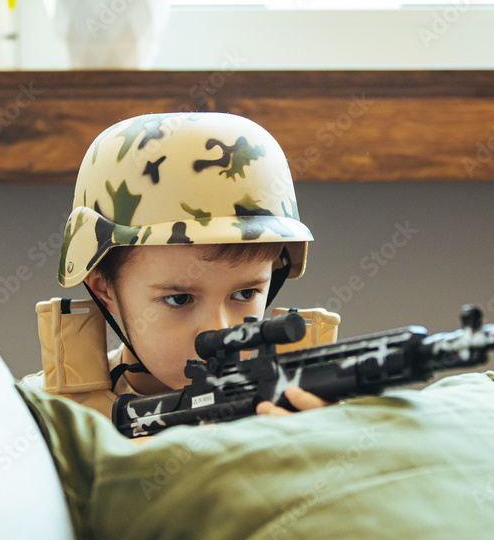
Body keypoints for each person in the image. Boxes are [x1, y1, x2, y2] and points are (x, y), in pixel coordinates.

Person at [19, 112, 334, 431]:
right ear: (104, 290)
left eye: (244, 294)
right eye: (180, 299)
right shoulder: (46, 417)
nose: (219, 330)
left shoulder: (310, 411)